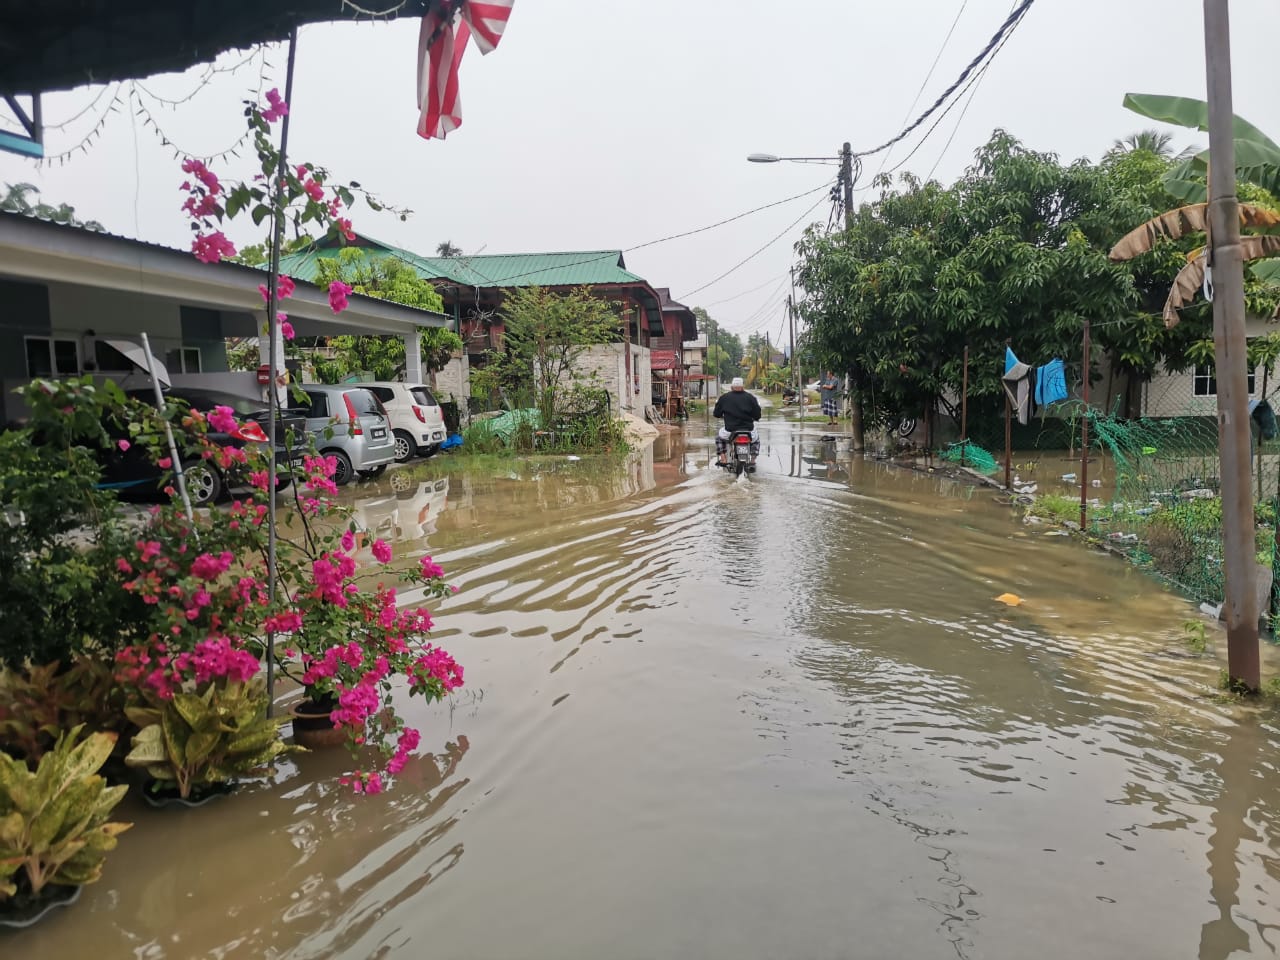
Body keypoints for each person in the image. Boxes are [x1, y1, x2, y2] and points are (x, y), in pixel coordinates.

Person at [712, 377, 762, 465]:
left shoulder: (724, 398)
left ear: (731, 387)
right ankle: (753, 460)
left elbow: (716, 414)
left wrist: (721, 415)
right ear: (743, 387)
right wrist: (755, 418)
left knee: (719, 438)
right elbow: (757, 415)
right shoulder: (751, 398)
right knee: (756, 439)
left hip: (730, 430)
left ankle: (723, 459)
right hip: (748, 430)